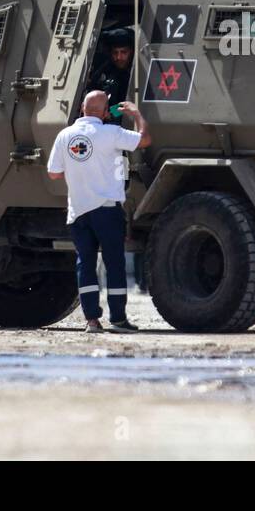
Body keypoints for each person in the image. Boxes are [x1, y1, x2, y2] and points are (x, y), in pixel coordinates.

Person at [47, 90, 151, 333]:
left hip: (78, 211)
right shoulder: (111, 133)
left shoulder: (65, 135)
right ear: (105, 113)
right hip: (106, 211)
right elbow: (144, 140)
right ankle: (118, 319)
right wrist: (135, 113)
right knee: (114, 263)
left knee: (85, 264)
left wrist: (79, 173)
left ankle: (92, 321)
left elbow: (53, 173)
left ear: (82, 109)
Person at [92, 27, 133, 107]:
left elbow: (130, 104)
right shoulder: (105, 70)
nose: (119, 57)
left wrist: (111, 113)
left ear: (131, 52)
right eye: (115, 53)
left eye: (123, 52)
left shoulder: (136, 73)